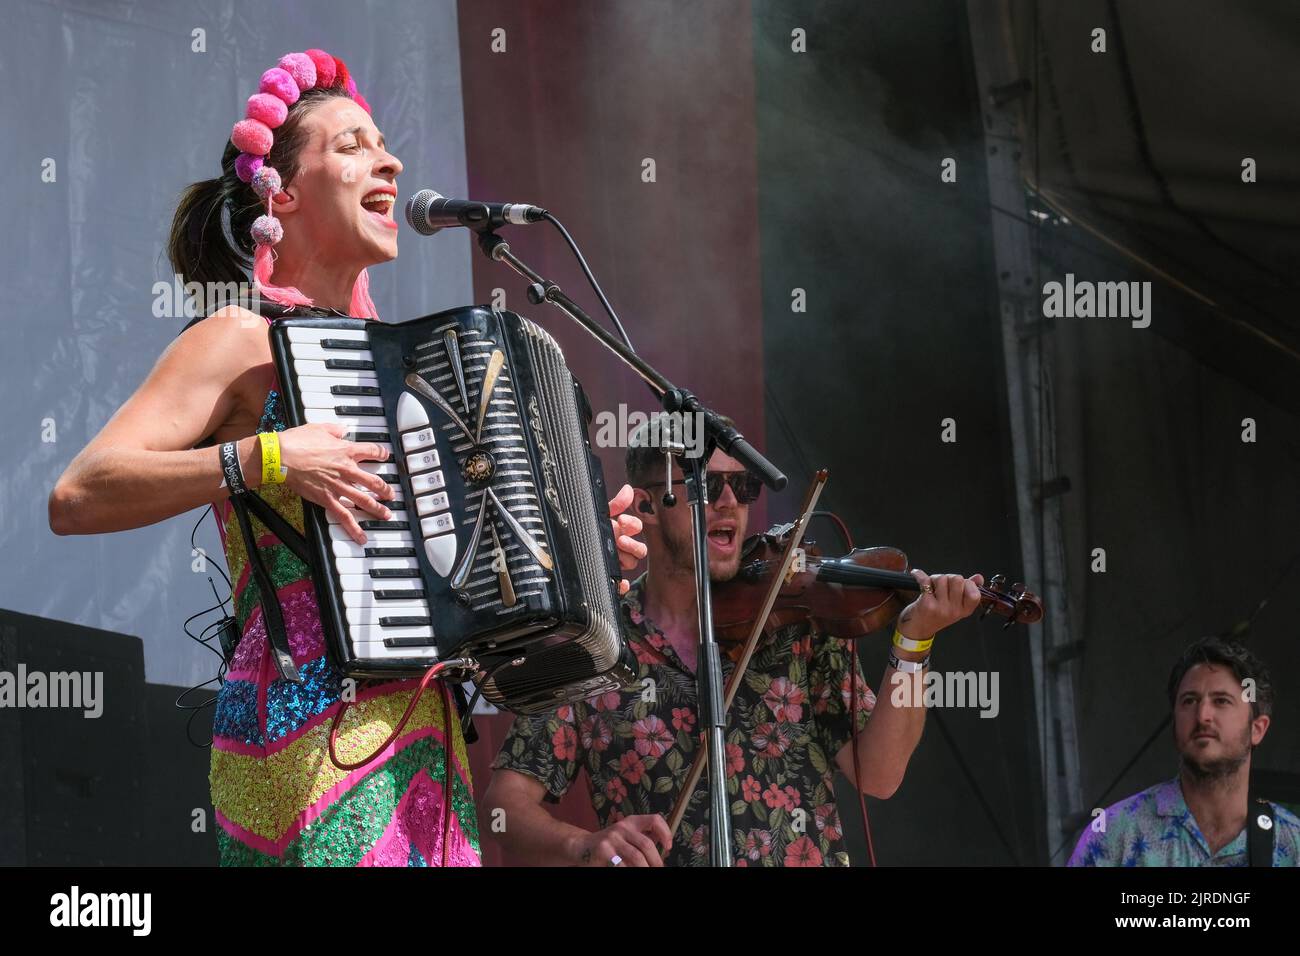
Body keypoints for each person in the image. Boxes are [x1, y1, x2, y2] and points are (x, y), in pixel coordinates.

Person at [46, 50, 645, 867]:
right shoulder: (239, 341)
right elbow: (77, 495)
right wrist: (264, 457)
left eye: (385, 143)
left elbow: (452, 598)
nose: (390, 161)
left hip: (424, 747)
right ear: (281, 195)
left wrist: (576, 564)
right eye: (353, 144)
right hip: (299, 739)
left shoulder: (404, 369)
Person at [483, 419, 985, 866]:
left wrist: (913, 644)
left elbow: (879, 774)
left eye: (743, 486)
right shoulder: (596, 641)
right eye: (708, 484)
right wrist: (584, 846)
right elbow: (504, 806)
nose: (729, 502)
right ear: (646, 504)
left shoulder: (796, 623)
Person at [1069, 636, 1298, 866]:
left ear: (1257, 729)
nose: (1202, 716)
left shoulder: (1292, 845)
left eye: (1221, 701)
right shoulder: (1115, 833)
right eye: (1189, 701)